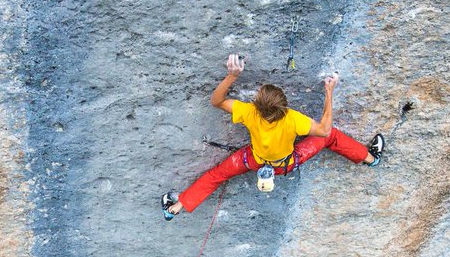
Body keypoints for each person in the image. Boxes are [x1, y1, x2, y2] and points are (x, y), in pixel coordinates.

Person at [161, 55, 385, 218]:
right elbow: (325, 131)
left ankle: (175, 208)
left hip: (253, 160)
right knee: (332, 136)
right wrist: (329, 92)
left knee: (216, 175)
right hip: (285, 163)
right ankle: (370, 158)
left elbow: (216, 101)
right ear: (283, 105)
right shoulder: (291, 118)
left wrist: (232, 75)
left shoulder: (250, 112)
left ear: (258, 104)